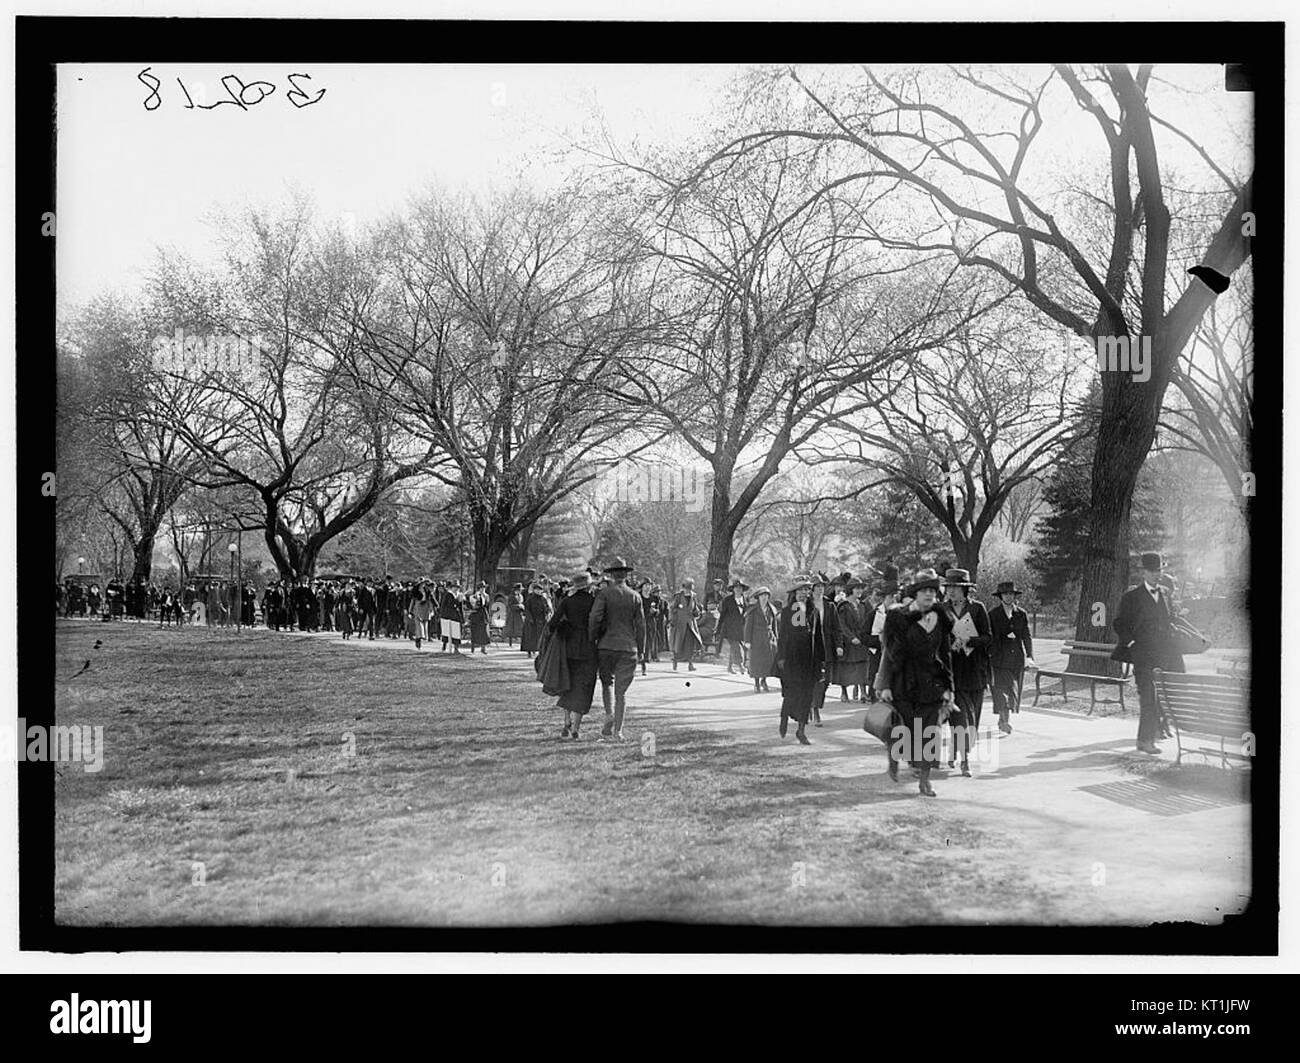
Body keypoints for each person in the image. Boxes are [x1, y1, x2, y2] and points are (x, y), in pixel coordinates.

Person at [878, 568, 954, 797]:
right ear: (915, 594)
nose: (930, 595)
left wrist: (950, 687)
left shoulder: (940, 618)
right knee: (906, 732)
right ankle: (894, 758)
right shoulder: (897, 617)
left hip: (931, 685)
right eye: (925, 591)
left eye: (933, 590)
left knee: (930, 733)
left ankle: (925, 781)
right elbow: (890, 654)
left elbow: (946, 653)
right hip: (904, 682)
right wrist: (886, 686)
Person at [1112, 552, 1185, 755]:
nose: (1156, 574)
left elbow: (1169, 620)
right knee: (1148, 698)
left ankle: (1153, 735)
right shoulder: (1131, 597)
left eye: (1159, 570)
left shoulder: (1165, 594)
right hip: (1142, 657)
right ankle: (1144, 741)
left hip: (1163, 656)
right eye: (1152, 571)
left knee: (1161, 698)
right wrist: (1133, 643)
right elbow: (1119, 624)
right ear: (1143, 572)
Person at [589, 557, 646, 742]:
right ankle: (618, 731)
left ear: (611, 575)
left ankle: (609, 714)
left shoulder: (604, 594)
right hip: (628, 648)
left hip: (606, 646)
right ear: (626, 574)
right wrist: (642, 648)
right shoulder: (635, 596)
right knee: (621, 692)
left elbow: (595, 618)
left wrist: (593, 638)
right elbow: (641, 625)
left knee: (606, 683)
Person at [942, 568, 991, 777]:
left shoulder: (978, 609)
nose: (951, 592)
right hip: (954, 673)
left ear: (965, 590)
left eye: (955, 588)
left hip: (975, 671)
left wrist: (969, 640)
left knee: (973, 719)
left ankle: (958, 749)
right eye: (949, 587)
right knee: (960, 716)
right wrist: (949, 645)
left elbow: (989, 638)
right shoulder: (942, 610)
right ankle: (965, 761)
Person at [550, 571, 599, 739]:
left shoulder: (567, 602)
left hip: (569, 648)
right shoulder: (594, 602)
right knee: (584, 687)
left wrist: (565, 627)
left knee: (568, 684)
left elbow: (552, 624)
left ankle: (566, 720)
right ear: (590, 587)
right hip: (589, 649)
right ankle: (576, 727)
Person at [775, 577, 822, 745]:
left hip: (809, 660)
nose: (804, 593)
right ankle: (784, 719)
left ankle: (801, 730)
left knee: (807, 696)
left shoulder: (813, 611)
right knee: (791, 693)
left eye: (806, 590)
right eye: (801, 590)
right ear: (794, 593)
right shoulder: (789, 611)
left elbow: (818, 638)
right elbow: (783, 637)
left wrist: (821, 661)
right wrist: (781, 657)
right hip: (792, 659)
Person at [988, 580, 1036, 734]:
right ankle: (1004, 721)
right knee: (1002, 691)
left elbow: (1026, 636)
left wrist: (1030, 656)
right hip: (999, 659)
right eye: (1005, 594)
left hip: (1016, 660)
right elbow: (990, 636)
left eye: (1011, 594)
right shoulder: (993, 614)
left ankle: (1003, 720)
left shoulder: (1021, 614)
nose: (1008, 597)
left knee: (1013, 691)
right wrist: (1004, 637)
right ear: (1000, 596)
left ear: (1015, 596)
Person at [807, 576, 841, 727]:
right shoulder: (804, 605)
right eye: (817, 586)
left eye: (822, 586)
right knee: (814, 680)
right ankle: (815, 710)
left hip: (827, 648)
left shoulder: (830, 605)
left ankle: (813, 705)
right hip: (809, 648)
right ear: (812, 589)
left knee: (826, 680)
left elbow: (836, 628)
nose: (820, 589)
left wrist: (839, 645)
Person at [835, 578, 872, 703]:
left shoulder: (863, 605)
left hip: (861, 640)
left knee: (862, 666)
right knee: (847, 667)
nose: (859, 591)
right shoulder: (843, 605)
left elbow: (868, 621)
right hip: (848, 640)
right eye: (857, 588)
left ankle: (863, 692)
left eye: (861, 588)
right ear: (851, 590)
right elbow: (841, 624)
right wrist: (851, 638)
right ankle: (844, 692)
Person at [742, 586, 780, 693]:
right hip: (756, 639)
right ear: (758, 597)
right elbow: (748, 627)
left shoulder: (771, 609)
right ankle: (757, 683)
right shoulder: (753, 611)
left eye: (766, 595)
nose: (764, 598)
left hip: (769, 639)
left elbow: (774, 625)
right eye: (762, 596)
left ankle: (764, 680)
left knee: (768, 662)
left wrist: (776, 638)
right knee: (757, 662)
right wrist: (747, 641)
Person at [669, 578, 704, 671]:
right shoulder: (678, 596)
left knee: (690, 643)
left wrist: (697, 612)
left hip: (690, 624)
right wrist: (674, 618)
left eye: (689, 588)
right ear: (683, 587)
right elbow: (672, 608)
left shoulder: (693, 596)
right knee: (678, 643)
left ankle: (690, 664)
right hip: (679, 624)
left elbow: (695, 608)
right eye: (686, 588)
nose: (688, 590)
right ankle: (675, 660)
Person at [716, 578, 749, 674]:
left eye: (740, 588)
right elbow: (722, 615)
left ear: (743, 589)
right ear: (733, 589)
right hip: (730, 628)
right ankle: (741, 665)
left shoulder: (745, 600)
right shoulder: (727, 600)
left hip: (741, 629)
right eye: (736, 587)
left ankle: (729, 666)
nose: (738, 589)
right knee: (736, 646)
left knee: (736, 647)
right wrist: (718, 629)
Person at [521, 581, 551, 658]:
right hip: (532, 621)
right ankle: (529, 651)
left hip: (541, 620)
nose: (539, 591)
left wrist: (547, 613)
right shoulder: (530, 599)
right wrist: (530, 618)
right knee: (530, 637)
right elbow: (527, 609)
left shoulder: (543, 599)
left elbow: (547, 607)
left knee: (540, 637)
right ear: (534, 590)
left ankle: (539, 651)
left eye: (540, 590)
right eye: (537, 590)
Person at [407, 584, 434, 650]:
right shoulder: (415, 594)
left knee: (425, 626)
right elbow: (412, 602)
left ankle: (421, 638)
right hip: (417, 610)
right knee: (419, 627)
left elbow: (430, 602)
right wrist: (410, 611)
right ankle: (418, 640)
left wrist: (431, 610)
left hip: (425, 610)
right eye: (421, 586)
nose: (422, 587)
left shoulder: (428, 593)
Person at [468, 582, 491, 655]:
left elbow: (487, 606)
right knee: (475, 632)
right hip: (476, 615)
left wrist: (488, 615)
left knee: (484, 631)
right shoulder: (475, 596)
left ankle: (483, 648)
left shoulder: (486, 596)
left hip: (483, 615)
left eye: (484, 588)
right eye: (481, 588)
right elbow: (473, 605)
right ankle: (473, 648)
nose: (483, 589)